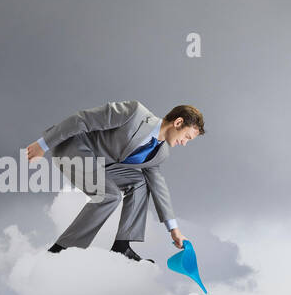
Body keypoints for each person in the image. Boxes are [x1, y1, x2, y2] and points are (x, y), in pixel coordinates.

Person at [25, 101, 204, 261]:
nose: (184, 143)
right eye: (187, 137)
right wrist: (43, 144)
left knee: (141, 182)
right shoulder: (135, 113)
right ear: (178, 122)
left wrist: (174, 230)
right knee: (109, 195)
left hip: (102, 166)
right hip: (75, 149)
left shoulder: (161, 153)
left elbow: (158, 185)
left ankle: (121, 247)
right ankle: (61, 250)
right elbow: (82, 120)